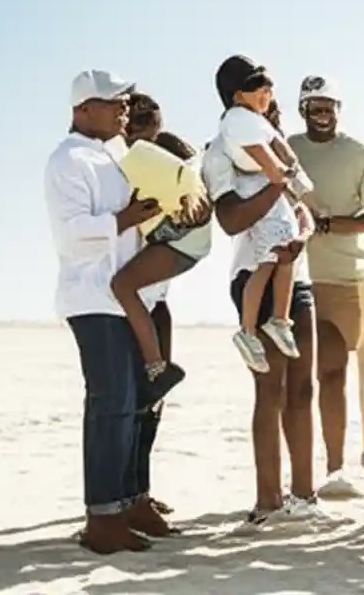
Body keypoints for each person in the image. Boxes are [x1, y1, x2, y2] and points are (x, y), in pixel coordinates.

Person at [46, 69, 175, 553]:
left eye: (124, 102)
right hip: (91, 299)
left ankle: (125, 504)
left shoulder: (113, 155)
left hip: (126, 299)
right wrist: (127, 218)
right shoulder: (67, 161)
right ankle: (101, 522)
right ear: (83, 110)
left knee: (130, 404)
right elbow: (71, 233)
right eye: (114, 103)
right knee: (111, 404)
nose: (124, 109)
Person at [203, 98, 325, 527]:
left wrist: (303, 236)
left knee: (303, 390)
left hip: (297, 279)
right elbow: (232, 220)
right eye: (262, 104)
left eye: (272, 109)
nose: (270, 114)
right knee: (269, 391)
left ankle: (306, 497)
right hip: (255, 272)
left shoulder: (278, 154)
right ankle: (267, 500)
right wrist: (278, 182)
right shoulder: (220, 154)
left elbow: (303, 211)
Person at [287, 75, 364, 498]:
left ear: (338, 108)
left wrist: (329, 224)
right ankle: (334, 468)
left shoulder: (359, 154)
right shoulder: (287, 150)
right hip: (298, 278)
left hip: (350, 277)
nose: (322, 111)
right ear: (303, 109)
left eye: (329, 104)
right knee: (327, 373)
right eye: (314, 105)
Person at [120, 92, 214, 517]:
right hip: (128, 304)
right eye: (138, 123)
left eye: (151, 122)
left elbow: (198, 185)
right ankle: (125, 493)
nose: (145, 131)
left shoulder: (170, 154)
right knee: (128, 401)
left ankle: (140, 491)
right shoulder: (114, 166)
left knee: (154, 402)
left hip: (157, 303)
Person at [215, 55, 320, 370]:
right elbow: (266, 157)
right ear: (237, 94)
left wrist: (299, 184)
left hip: (277, 206)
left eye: (269, 90)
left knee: (282, 257)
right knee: (270, 259)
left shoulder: (257, 121)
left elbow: (281, 148)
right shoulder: (236, 121)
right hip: (261, 204)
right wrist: (282, 178)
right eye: (258, 90)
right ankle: (250, 330)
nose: (267, 97)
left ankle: (278, 319)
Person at [110, 92, 212, 404]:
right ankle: (157, 372)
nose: (142, 122)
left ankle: (157, 366)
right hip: (176, 260)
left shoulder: (156, 155)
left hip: (179, 247)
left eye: (147, 114)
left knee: (123, 286)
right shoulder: (158, 153)